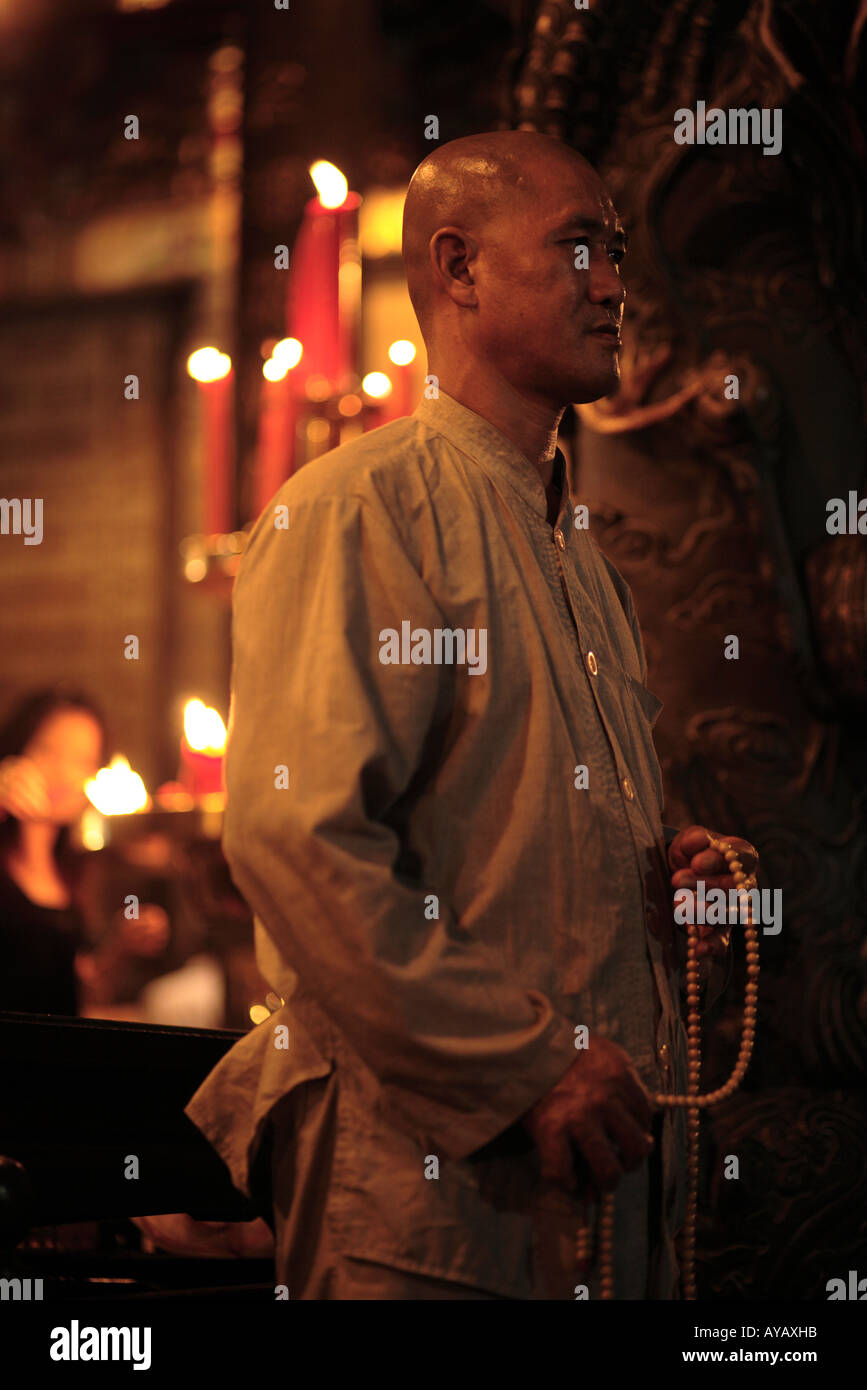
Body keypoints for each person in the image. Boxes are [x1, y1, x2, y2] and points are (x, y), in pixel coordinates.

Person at [185, 130, 757, 1299]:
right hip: (430, 1204)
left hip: (590, 1202)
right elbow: (296, 837)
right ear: (458, 268)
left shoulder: (578, 556)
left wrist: (659, 878)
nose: (613, 283)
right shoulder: (356, 510)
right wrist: (528, 1066)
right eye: (578, 247)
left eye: (616, 251)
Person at [0, 687, 167, 1015]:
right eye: (48, 751)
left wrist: (120, 946)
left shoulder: (75, 868)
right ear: (17, 750)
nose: (64, 773)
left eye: (83, 761)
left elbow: (79, 988)